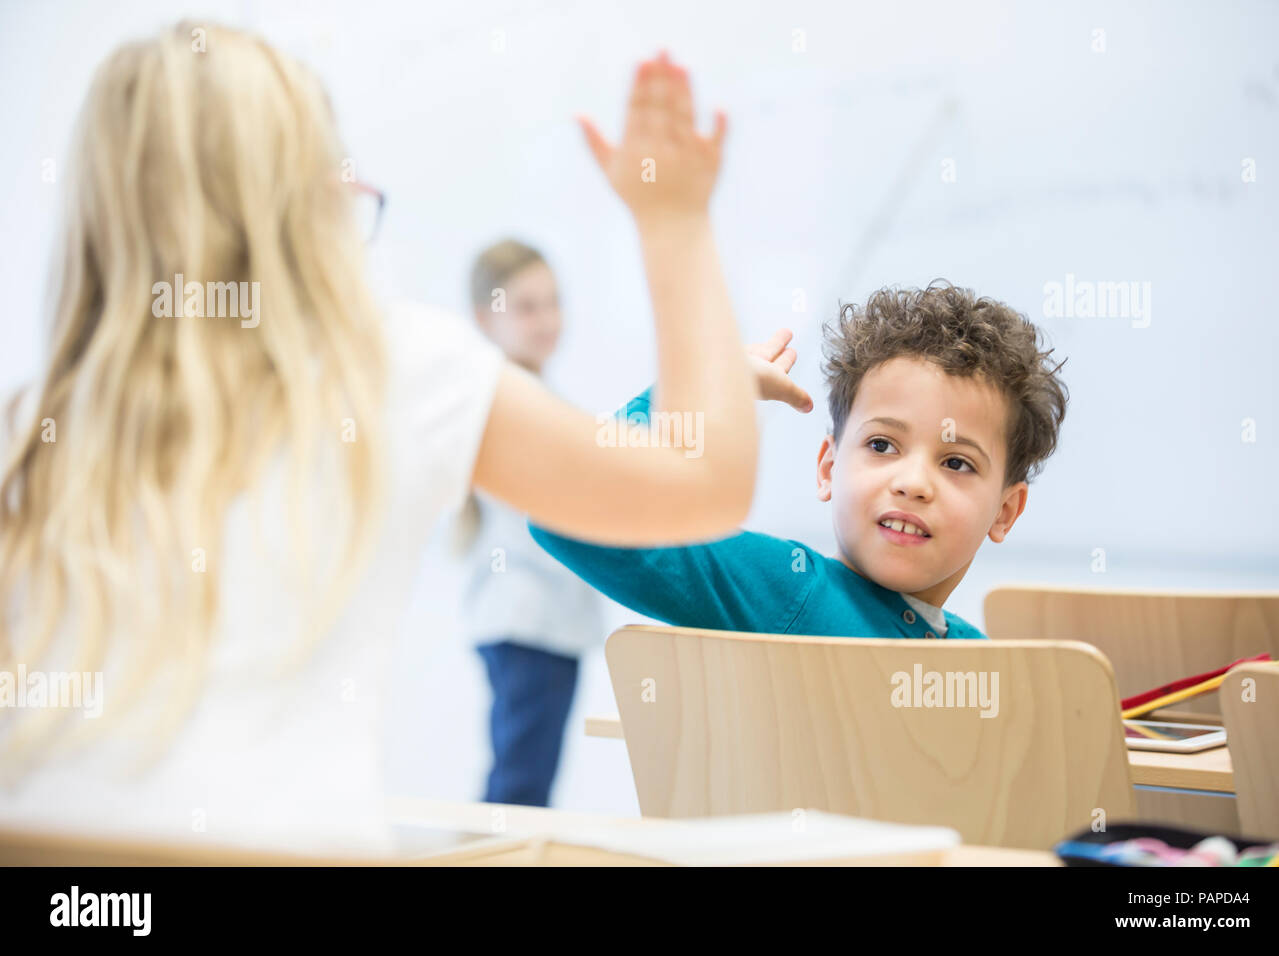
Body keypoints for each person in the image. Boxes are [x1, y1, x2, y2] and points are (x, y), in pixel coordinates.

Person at [0, 24, 757, 856]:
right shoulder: (393, 370)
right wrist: (675, 221)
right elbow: (705, 480)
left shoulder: (24, 433)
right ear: (304, 203)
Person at [530, 281, 1070, 641]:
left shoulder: (980, 657)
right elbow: (562, 501)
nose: (913, 482)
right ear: (829, 468)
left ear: (1005, 510)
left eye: (956, 463)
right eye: (882, 445)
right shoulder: (783, 590)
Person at [454, 239, 607, 807]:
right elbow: (568, 511)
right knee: (520, 788)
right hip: (528, 623)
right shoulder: (508, 400)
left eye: (553, 302)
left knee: (523, 781)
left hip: (538, 624)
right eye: (526, 306)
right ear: (483, 318)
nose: (547, 320)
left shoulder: (534, 397)